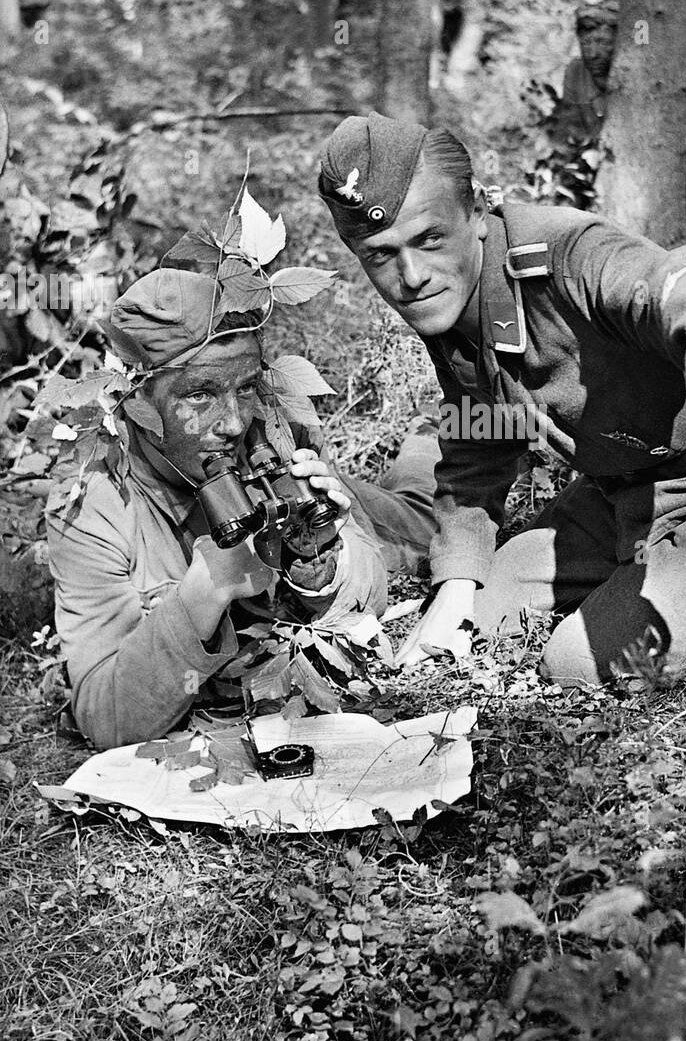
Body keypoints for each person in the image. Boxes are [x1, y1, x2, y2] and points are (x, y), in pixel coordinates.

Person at [316, 112, 686, 689]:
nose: (411, 276)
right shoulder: (453, 300)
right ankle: (645, 571)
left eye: (429, 239)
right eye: (380, 255)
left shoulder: (563, 254)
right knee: (490, 608)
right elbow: (476, 444)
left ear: (477, 214)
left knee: (581, 663)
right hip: (625, 495)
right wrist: (456, 583)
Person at [45, 268, 439, 751]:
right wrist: (202, 596)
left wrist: (321, 568)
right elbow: (106, 718)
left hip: (391, 508)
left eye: (246, 388)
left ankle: (432, 431)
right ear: (136, 400)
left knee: (425, 526)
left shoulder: (271, 433)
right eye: (200, 395)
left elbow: (369, 595)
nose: (234, 423)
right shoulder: (91, 504)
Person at [547, 0, 686, 243]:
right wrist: (587, 154)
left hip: (663, 161)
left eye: (603, 44)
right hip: (601, 167)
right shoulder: (577, 72)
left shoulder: (652, 70)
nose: (593, 54)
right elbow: (565, 138)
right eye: (587, 43)